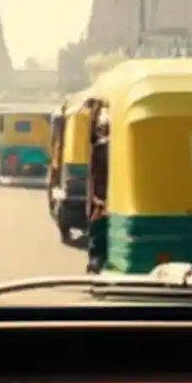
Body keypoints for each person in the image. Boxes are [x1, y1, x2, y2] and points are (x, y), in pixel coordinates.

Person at [86, 113, 110, 274]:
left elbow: (95, 177)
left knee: (97, 228)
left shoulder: (101, 148)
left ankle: (96, 261)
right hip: (106, 199)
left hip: (104, 200)